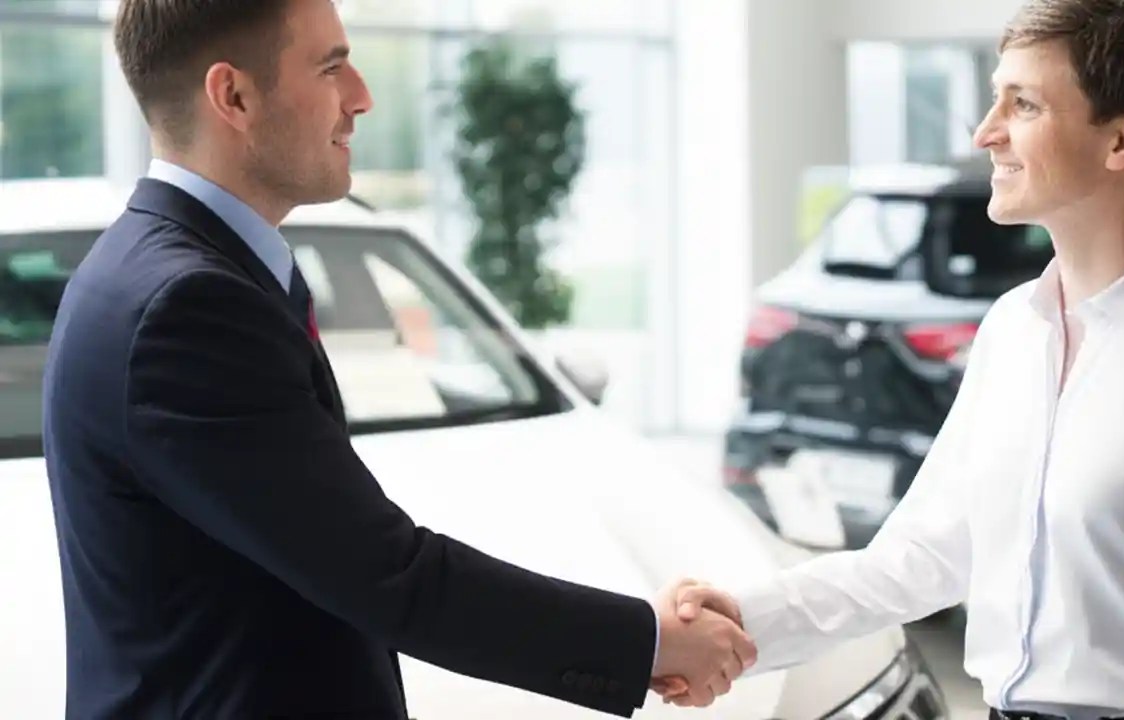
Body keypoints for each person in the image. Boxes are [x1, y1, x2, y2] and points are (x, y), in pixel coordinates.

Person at [42, 1, 752, 718]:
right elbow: (387, 573)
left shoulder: (159, 270)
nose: (362, 96)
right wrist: (647, 642)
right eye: (330, 66)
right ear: (233, 95)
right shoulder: (185, 305)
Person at [661, 1, 1124, 718]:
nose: (986, 133)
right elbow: (924, 557)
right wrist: (743, 618)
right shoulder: (1014, 329)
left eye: (1023, 104)